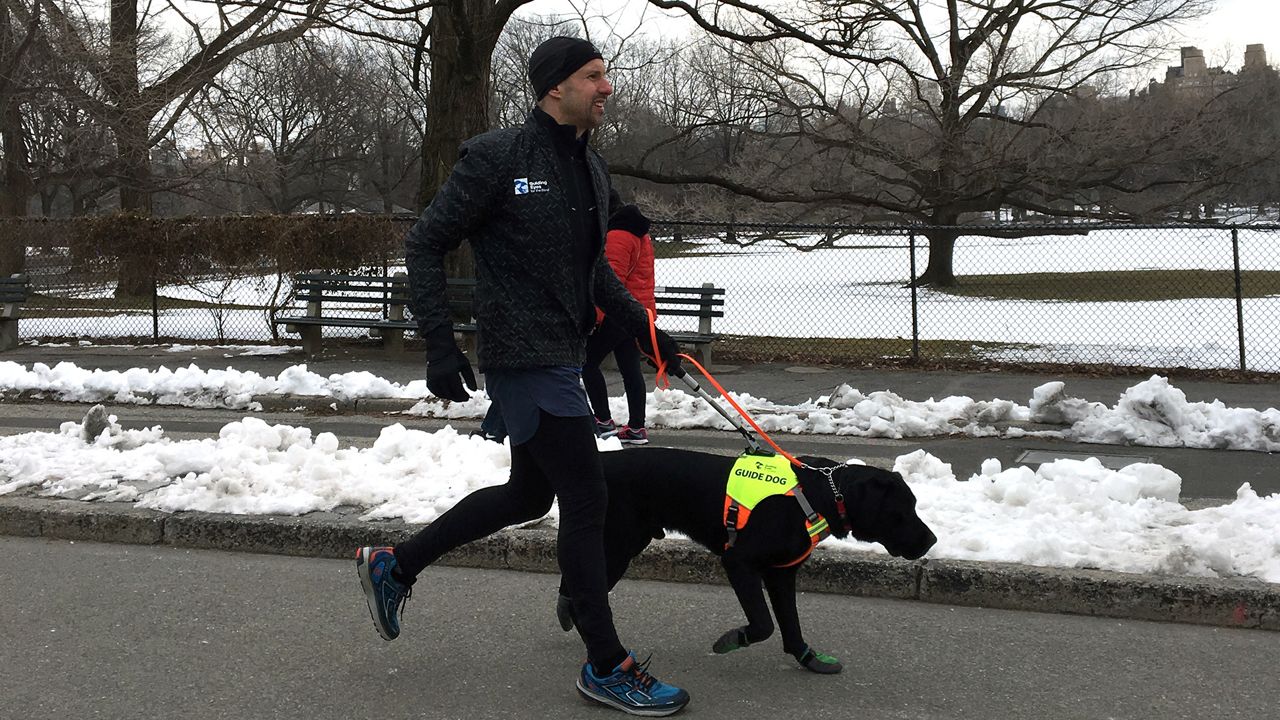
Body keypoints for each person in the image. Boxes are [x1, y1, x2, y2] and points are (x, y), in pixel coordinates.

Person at [354, 36, 689, 717]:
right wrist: (440, 343)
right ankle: (606, 662)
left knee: (528, 496)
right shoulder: (497, 155)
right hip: (520, 356)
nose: (607, 88)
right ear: (555, 86)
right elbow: (426, 242)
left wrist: (650, 334)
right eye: (594, 76)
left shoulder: (592, 172)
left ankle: (396, 564)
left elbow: (594, 272)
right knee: (587, 496)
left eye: (606, 76)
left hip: (560, 354)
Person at [583, 204, 655, 444]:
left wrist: (596, 317)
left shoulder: (617, 236)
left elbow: (610, 282)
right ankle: (637, 427)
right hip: (636, 312)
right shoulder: (641, 235)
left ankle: (603, 421)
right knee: (630, 368)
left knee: (587, 362)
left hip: (618, 313)